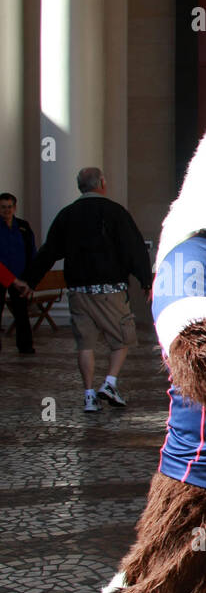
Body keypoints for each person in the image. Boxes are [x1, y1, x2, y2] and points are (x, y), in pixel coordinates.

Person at [15, 168, 151, 412]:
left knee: (85, 344)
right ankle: (109, 383)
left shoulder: (67, 214)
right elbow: (134, 247)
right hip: (110, 290)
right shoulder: (115, 212)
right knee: (121, 340)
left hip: (78, 291)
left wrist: (29, 280)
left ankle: (89, 395)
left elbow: (49, 251)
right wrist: (145, 280)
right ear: (101, 183)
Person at [0, 191, 37, 354]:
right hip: (1, 276)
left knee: (22, 312)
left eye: (9, 207)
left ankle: (25, 345)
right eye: (3, 207)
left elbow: (31, 251)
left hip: (19, 276)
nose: (7, 210)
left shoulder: (23, 226)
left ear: (15, 208)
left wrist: (29, 277)